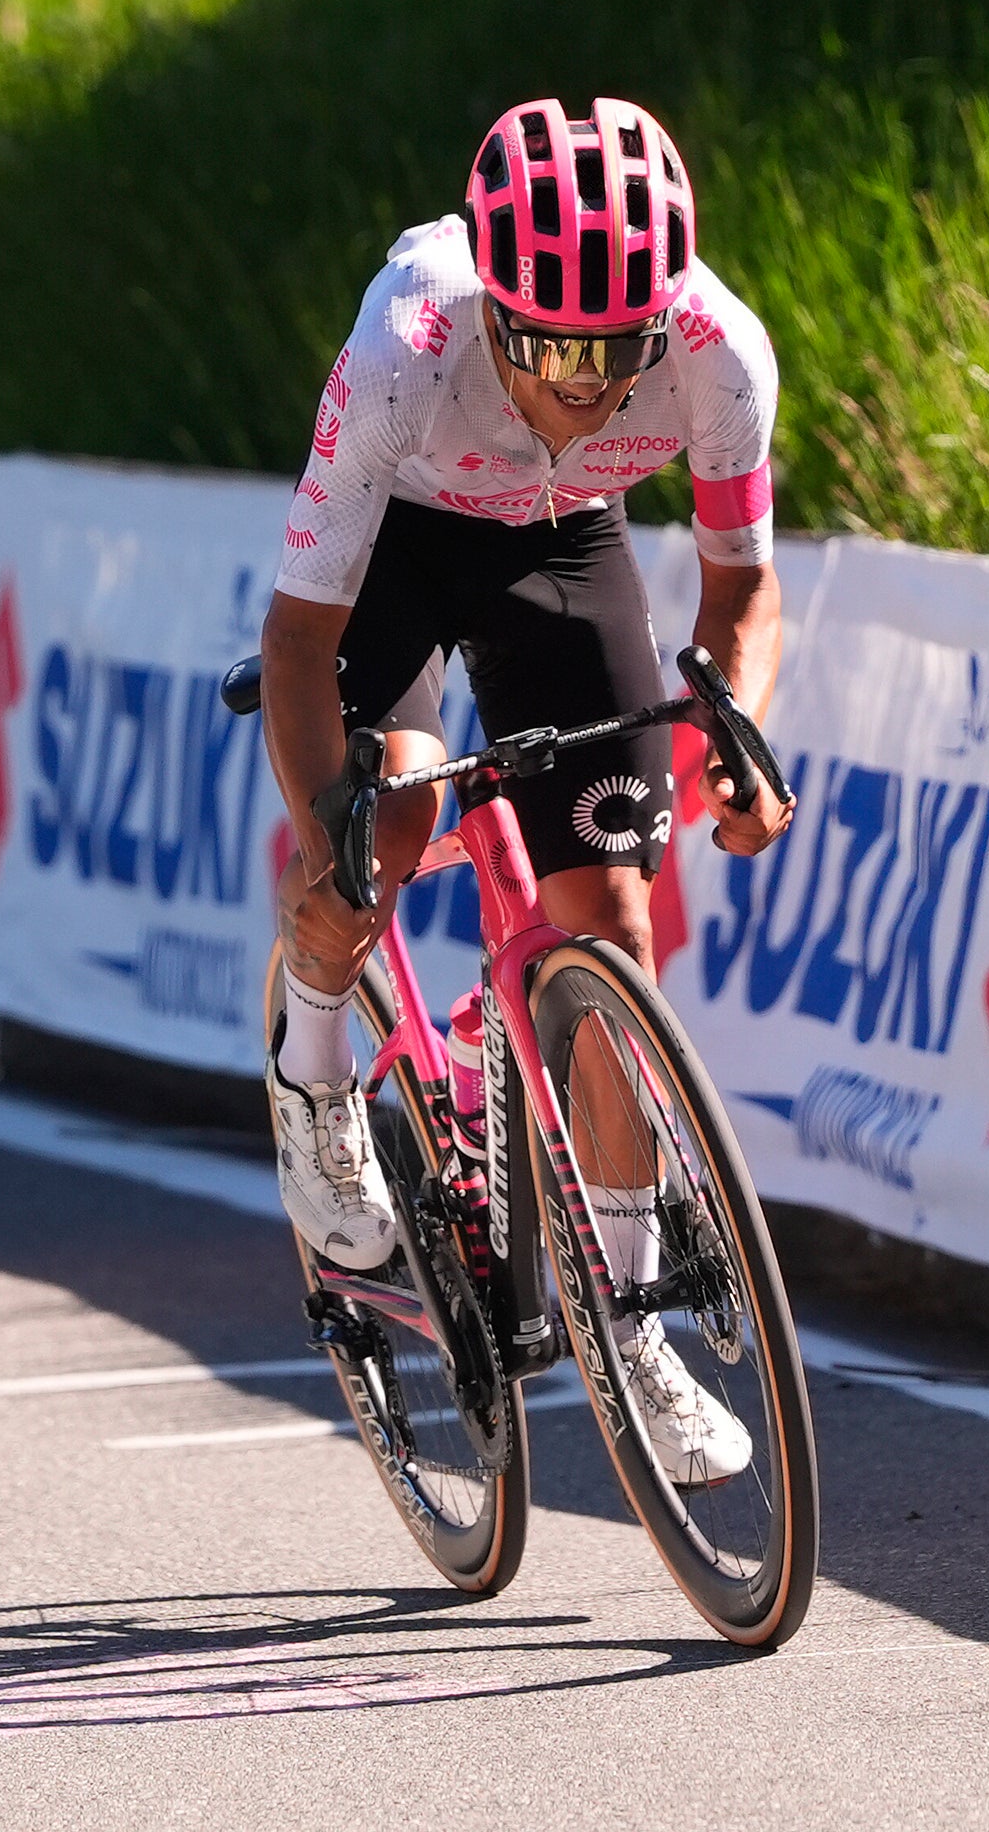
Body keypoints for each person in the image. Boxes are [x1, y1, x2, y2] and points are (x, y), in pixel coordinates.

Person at [260, 98, 792, 1481]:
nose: (577, 381)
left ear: (661, 318)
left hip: (568, 541)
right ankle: (316, 1075)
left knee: (611, 915)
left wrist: (737, 733)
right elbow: (300, 641)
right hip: (407, 542)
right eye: (547, 343)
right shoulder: (409, 340)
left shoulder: (720, 355)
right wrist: (334, 843)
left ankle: (631, 1320)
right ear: (494, 305)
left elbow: (741, 591)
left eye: (612, 351)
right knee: (391, 816)